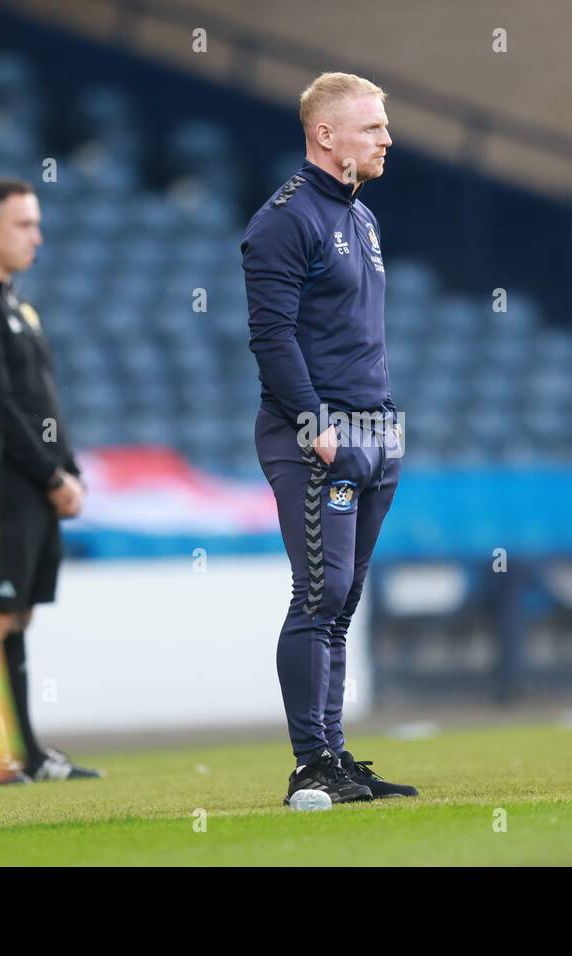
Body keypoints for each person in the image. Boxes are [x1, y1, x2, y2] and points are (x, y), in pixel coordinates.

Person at [241, 72, 416, 803]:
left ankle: (337, 758)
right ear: (327, 136)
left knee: (342, 601)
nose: (386, 138)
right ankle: (310, 765)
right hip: (317, 437)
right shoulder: (286, 219)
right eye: (373, 127)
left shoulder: (362, 218)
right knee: (320, 593)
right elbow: (271, 337)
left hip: (377, 433)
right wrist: (317, 426)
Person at [0, 178, 101, 782]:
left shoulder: (17, 304)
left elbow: (41, 398)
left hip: (35, 488)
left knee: (15, 615)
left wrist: (66, 468)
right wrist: (52, 475)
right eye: (24, 224)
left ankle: (22, 751)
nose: (37, 236)